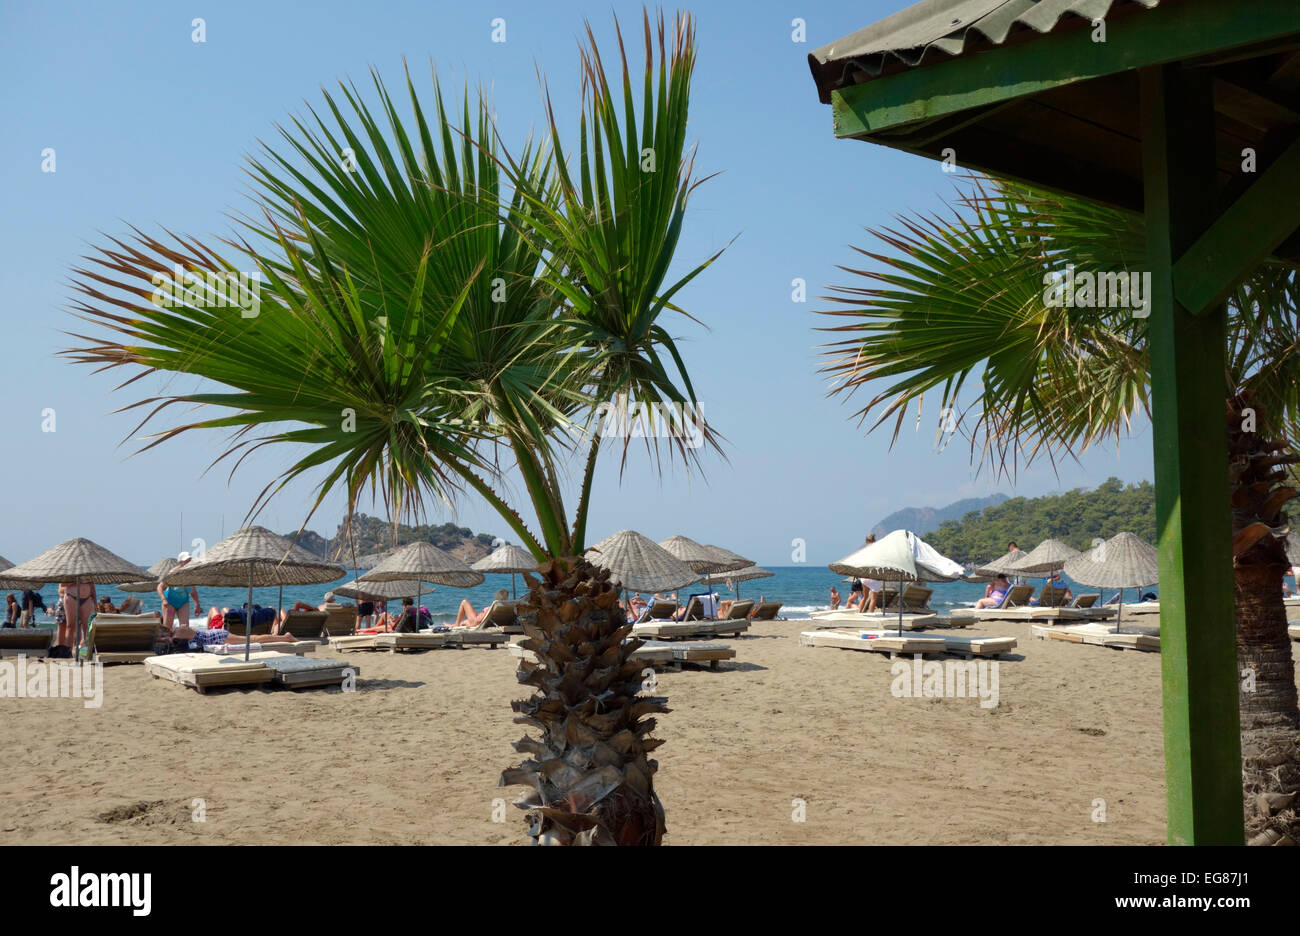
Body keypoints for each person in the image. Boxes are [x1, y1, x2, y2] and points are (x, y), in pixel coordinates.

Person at [157, 553, 202, 635]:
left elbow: (193, 592)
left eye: (190, 561)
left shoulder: (191, 575)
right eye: (187, 561)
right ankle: (168, 644)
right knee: (168, 626)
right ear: (181, 562)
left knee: (185, 627)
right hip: (170, 604)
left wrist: (197, 605)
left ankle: (182, 645)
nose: (189, 563)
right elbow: (160, 587)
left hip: (183, 603)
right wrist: (163, 599)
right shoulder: (173, 573)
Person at [59, 580, 96, 659]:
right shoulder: (71, 571)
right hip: (72, 597)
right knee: (70, 626)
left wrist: (96, 603)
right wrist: (75, 580)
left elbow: (92, 587)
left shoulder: (88, 572)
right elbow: (62, 584)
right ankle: (68, 653)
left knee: (87, 627)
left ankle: (84, 653)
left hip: (87, 598)